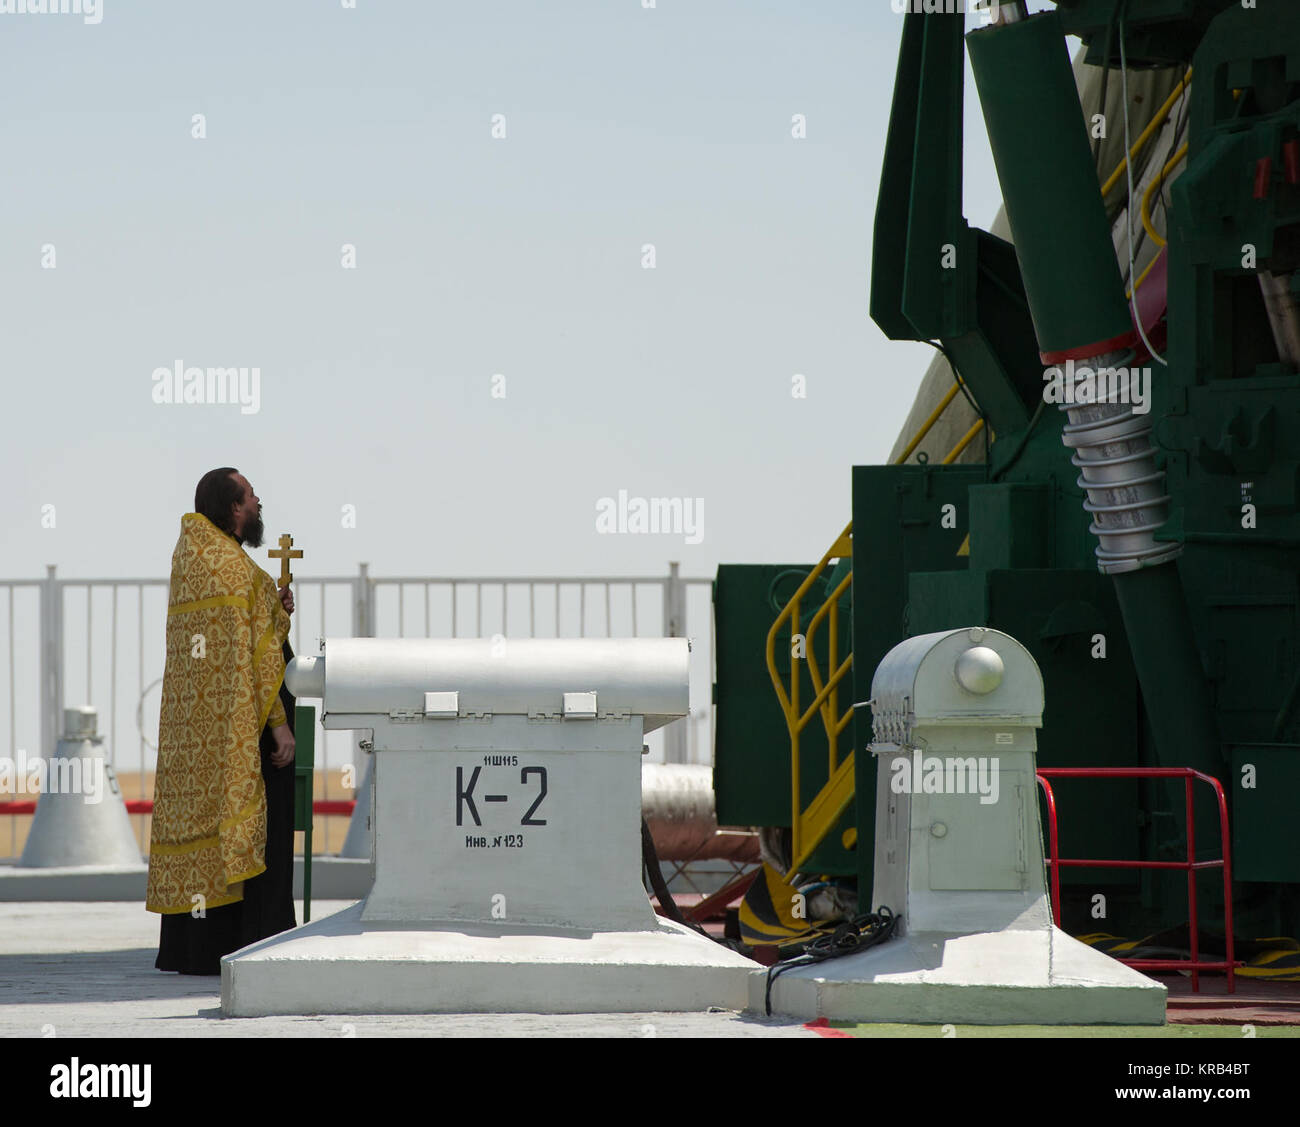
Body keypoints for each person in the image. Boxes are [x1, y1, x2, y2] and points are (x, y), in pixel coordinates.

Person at [147, 467, 299, 974]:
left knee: (202, 826)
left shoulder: (193, 559)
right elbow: (255, 658)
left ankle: (195, 950)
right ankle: (257, 941)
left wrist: (271, 609)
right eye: (252, 498)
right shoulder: (237, 571)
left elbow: (240, 633)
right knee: (256, 829)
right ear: (235, 510)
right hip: (241, 732)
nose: (258, 505)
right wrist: (279, 725)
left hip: (194, 735)